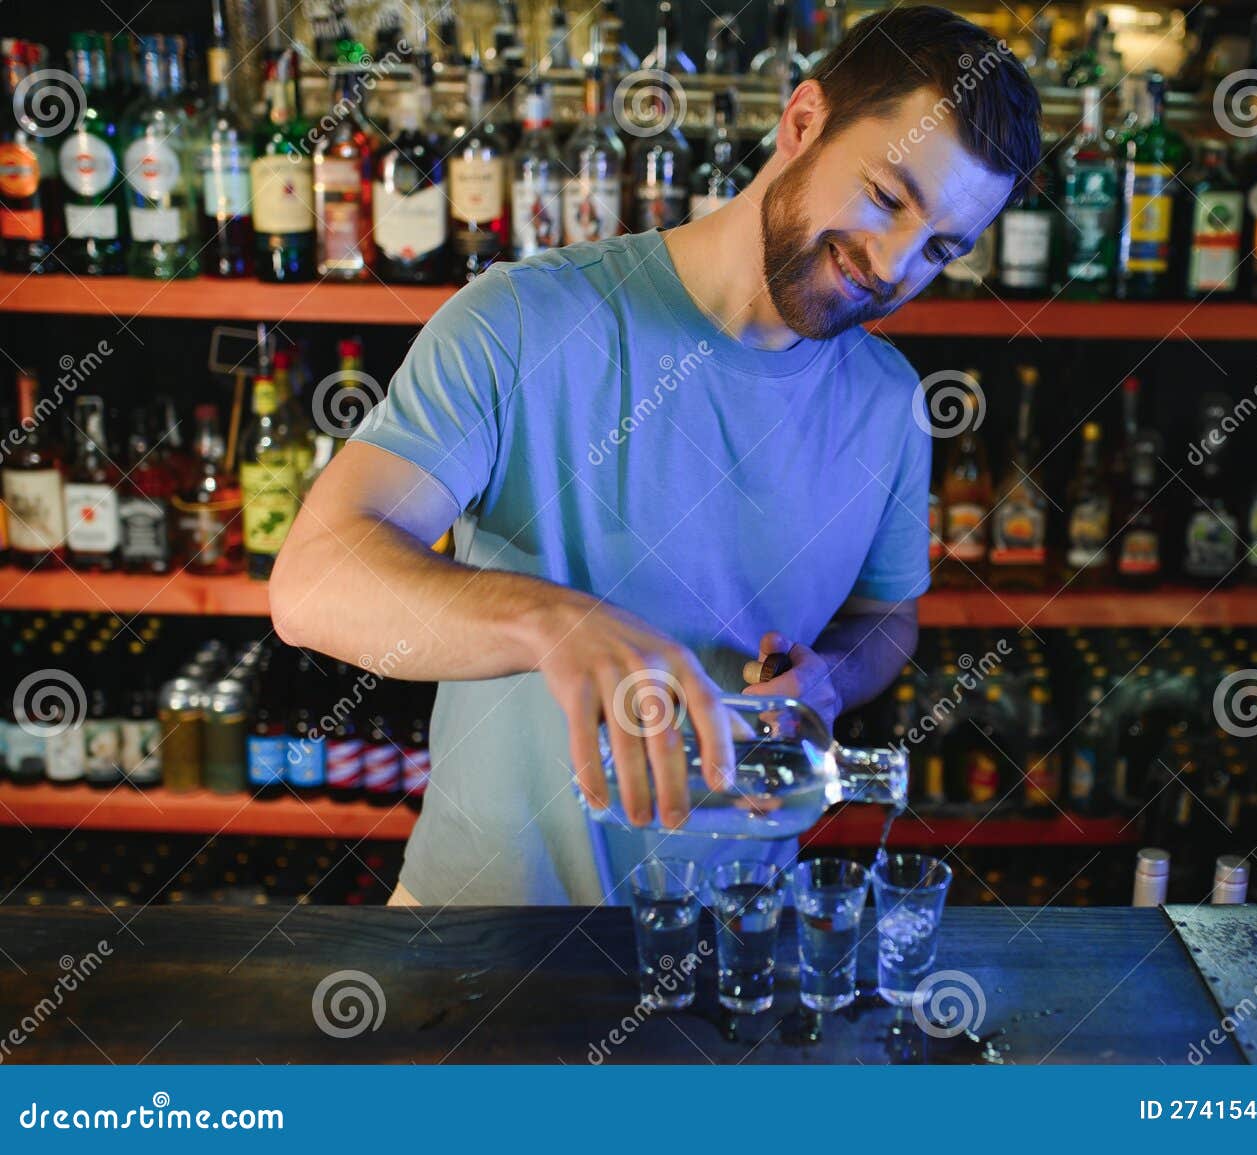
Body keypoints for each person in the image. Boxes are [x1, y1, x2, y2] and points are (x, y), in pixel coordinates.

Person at [270, 6, 1043, 905]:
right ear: (802, 123)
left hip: (742, 946)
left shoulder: (891, 403)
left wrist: (831, 677)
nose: (892, 265)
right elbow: (312, 584)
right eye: (884, 196)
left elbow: (886, 616)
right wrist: (553, 623)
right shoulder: (525, 318)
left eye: (940, 247)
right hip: (476, 937)